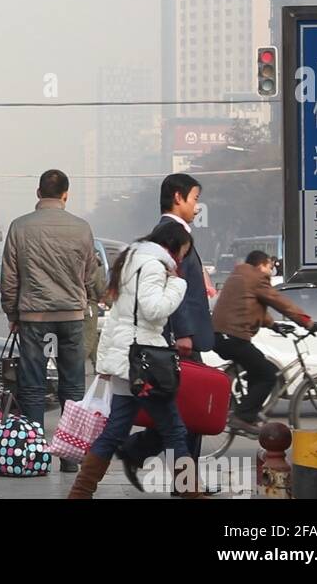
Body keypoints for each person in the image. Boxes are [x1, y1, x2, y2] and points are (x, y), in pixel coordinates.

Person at [68, 222, 201, 499]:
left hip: (125, 359)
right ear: (171, 246)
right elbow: (153, 310)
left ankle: (80, 492)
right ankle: (191, 493)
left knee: (115, 430)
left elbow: (117, 316)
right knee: (174, 430)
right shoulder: (153, 266)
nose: (180, 261)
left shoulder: (130, 260)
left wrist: (106, 363)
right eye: (182, 253)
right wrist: (177, 284)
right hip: (146, 361)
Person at [117, 174, 214, 491]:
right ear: (178, 197)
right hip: (175, 343)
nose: (197, 207)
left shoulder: (173, 233)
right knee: (187, 417)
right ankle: (181, 482)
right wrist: (184, 334)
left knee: (178, 419)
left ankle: (174, 476)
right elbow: (173, 287)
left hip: (172, 342)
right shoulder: (168, 235)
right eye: (194, 199)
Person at [1, 169, 100, 473]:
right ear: (66, 195)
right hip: (71, 319)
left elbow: (9, 278)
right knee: (72, 386)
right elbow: (92, 277)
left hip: (34, 319)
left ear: (38, 193)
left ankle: (34, 457)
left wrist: (12, 314)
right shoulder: (82, 229)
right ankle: (70, 460)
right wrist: (94, 296)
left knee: (32, 385)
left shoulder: (20, 227)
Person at [212, 251, 313, 433]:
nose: (271, 271)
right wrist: (307, 322)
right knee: (269, 374)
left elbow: (250, 306)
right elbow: (279, 301)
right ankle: (242, 417)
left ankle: (250, 412)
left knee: (256, 370)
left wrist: (274, 325)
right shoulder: (257, 278)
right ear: (261, 265)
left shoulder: (238, 275)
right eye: (270, 266)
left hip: (221, 337)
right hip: (234, 337)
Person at [84, 249, 108, 370]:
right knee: (89, 337)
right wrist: (109, 302)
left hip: (74, 304)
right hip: (90, 304)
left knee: (92, 339)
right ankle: (76, 367)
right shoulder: (95, 263)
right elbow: (99, 287)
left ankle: (98, 365)